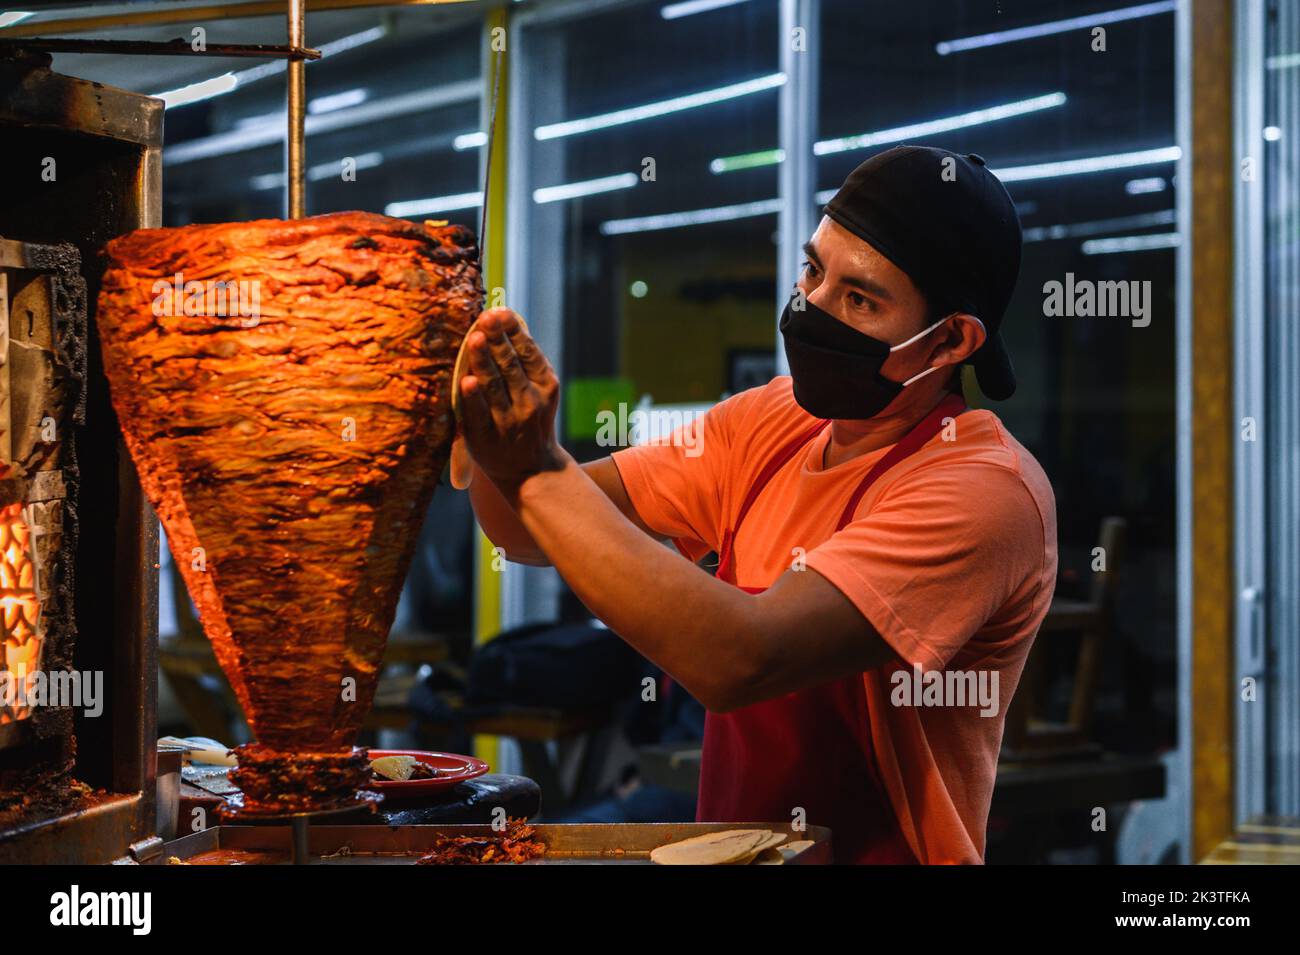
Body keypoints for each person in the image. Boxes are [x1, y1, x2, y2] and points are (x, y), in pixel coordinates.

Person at [457, 145, 1058, 864]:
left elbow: (742, 657)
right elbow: (527, 531)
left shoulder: (983, 489)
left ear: (953, 338)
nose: (814, 309)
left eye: (860, 299)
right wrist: (486, 430)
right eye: (813, 271)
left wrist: (538, 464)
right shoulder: (770, 424)